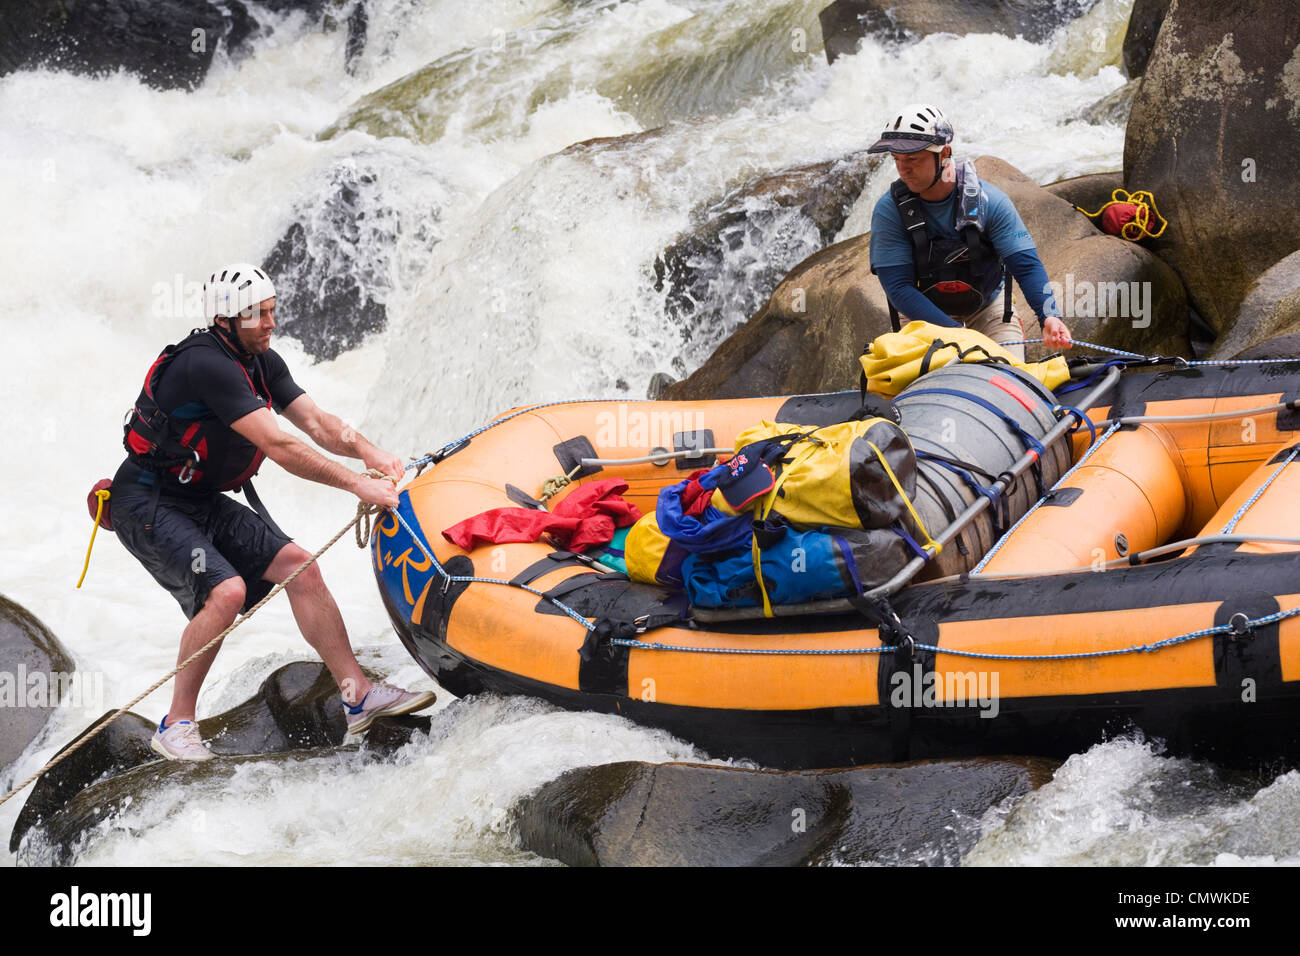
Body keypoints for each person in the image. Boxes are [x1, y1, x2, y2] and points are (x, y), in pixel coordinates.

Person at [111, 262, 435, 761]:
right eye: (256, 315)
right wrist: (355, 485)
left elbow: (318, 424)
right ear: (225, 321)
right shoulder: (206, 364)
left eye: (271, 311)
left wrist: (369, 453)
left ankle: (358, 696)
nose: (269, 323)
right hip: (146, 502)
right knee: (226, 591)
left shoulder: (261, 359)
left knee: (299, 567)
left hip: (196, 499)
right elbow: (280, 445)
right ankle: (175, 725)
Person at [867, 104, 1072, 360]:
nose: (902, 169)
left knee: (1007, 378)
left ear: (944, 154)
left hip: (988, 308)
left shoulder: (991, 201)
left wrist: (1049, 316)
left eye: (912, 159)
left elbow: (1027, 267)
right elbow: (898, 288)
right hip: (920, 313)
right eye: (896, 159)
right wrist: (959, 335)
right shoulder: (889, 211)